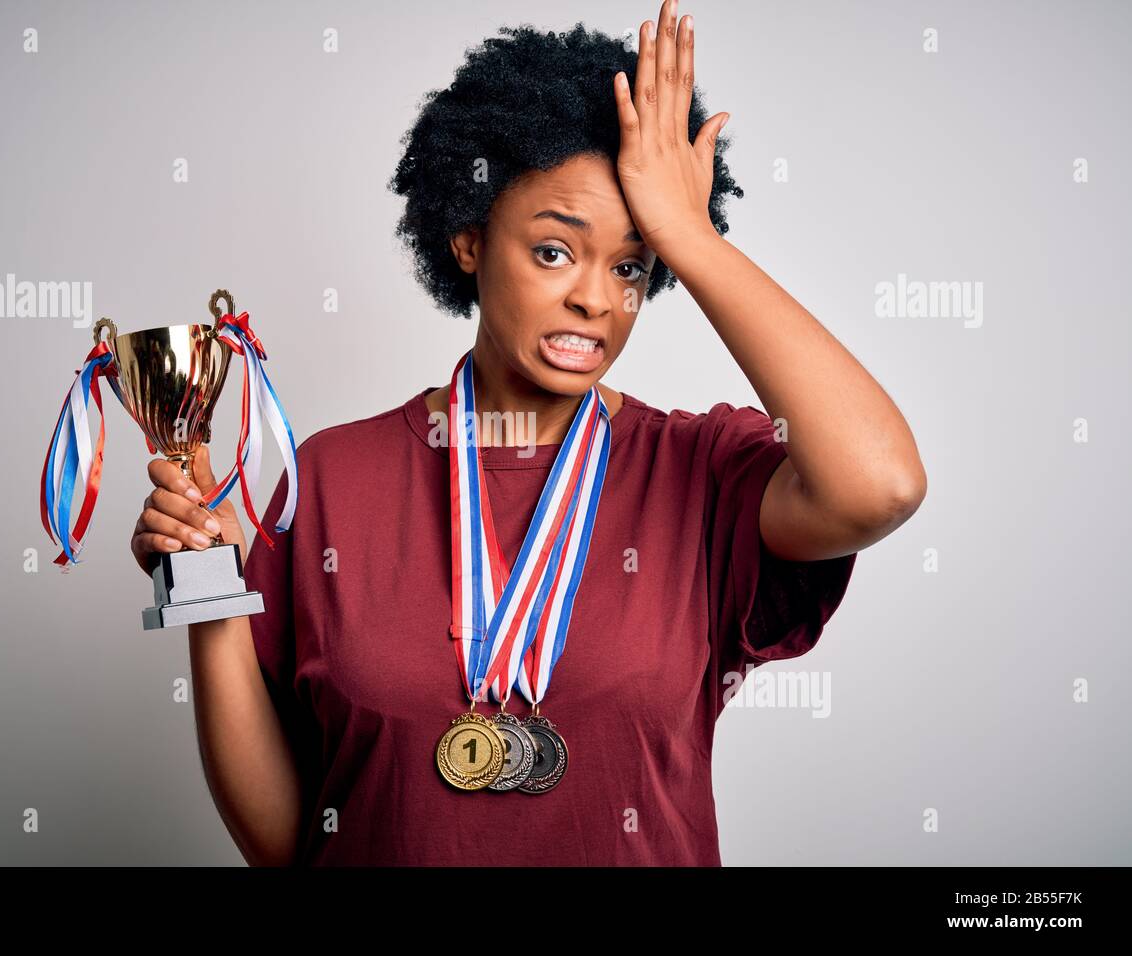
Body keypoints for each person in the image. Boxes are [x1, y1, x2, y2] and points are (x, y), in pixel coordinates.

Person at [130, 2, 926, 866]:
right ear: (469, 240)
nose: (595, 298)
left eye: (631, 265)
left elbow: (880, 482)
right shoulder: (331, 478)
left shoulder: (700, 472)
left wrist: (688, 234)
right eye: (555, 250)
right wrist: (206, 588)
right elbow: (287, 843)